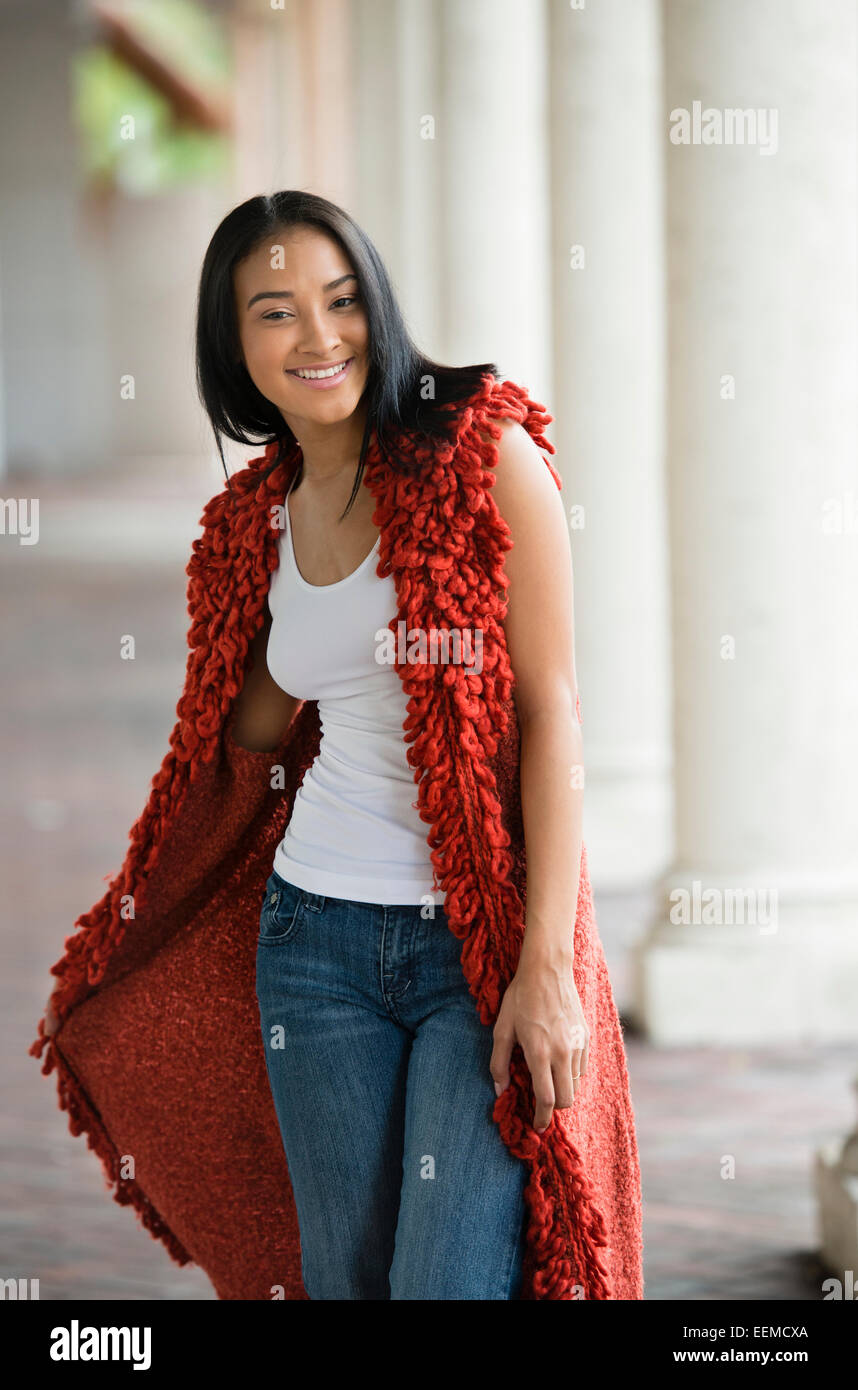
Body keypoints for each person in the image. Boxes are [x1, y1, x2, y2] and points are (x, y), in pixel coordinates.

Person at [40, 190, 632, 1302]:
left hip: (477, 947)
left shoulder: (487, 457)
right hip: (312, 943)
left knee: (446, 1279)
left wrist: (545, 966)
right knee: (342, 1281)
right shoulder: (251, 523)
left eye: (342, 299)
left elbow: (551, 711)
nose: (318, 337)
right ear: (234, 346)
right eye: (275, 311)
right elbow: (249, 733)